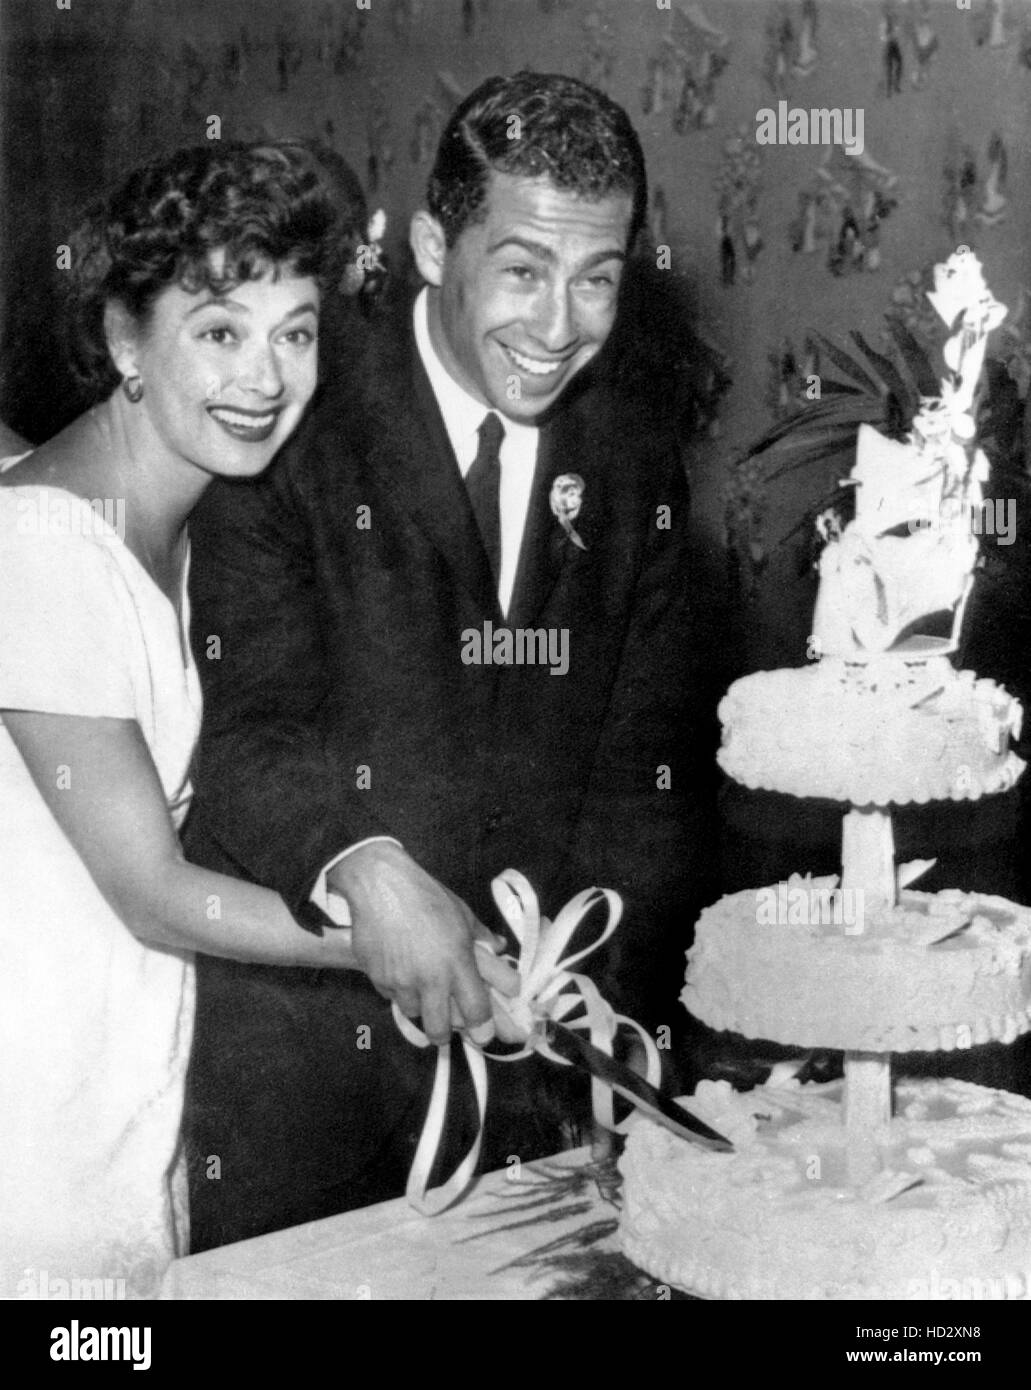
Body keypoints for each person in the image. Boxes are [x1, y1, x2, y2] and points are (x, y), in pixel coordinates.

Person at [183, 71, 716, 1249]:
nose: (558, 326)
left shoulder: (633, 454)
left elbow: (644, 777)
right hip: (303, 1081)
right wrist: (365, 863)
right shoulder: (286, 412)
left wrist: (586, 975)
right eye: (522, 270)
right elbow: (244, 725)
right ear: (433, 245)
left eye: (598, 279)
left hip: (537, 1084)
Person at [0, 140, 409, 1299]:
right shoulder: (38, 547)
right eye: (219, 331)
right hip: (29, 1115)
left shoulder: (191, 526)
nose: (265, 377)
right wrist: (388, 939)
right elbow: (153, 890)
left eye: (295, 332)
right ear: (126, 340)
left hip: (127, 1073)